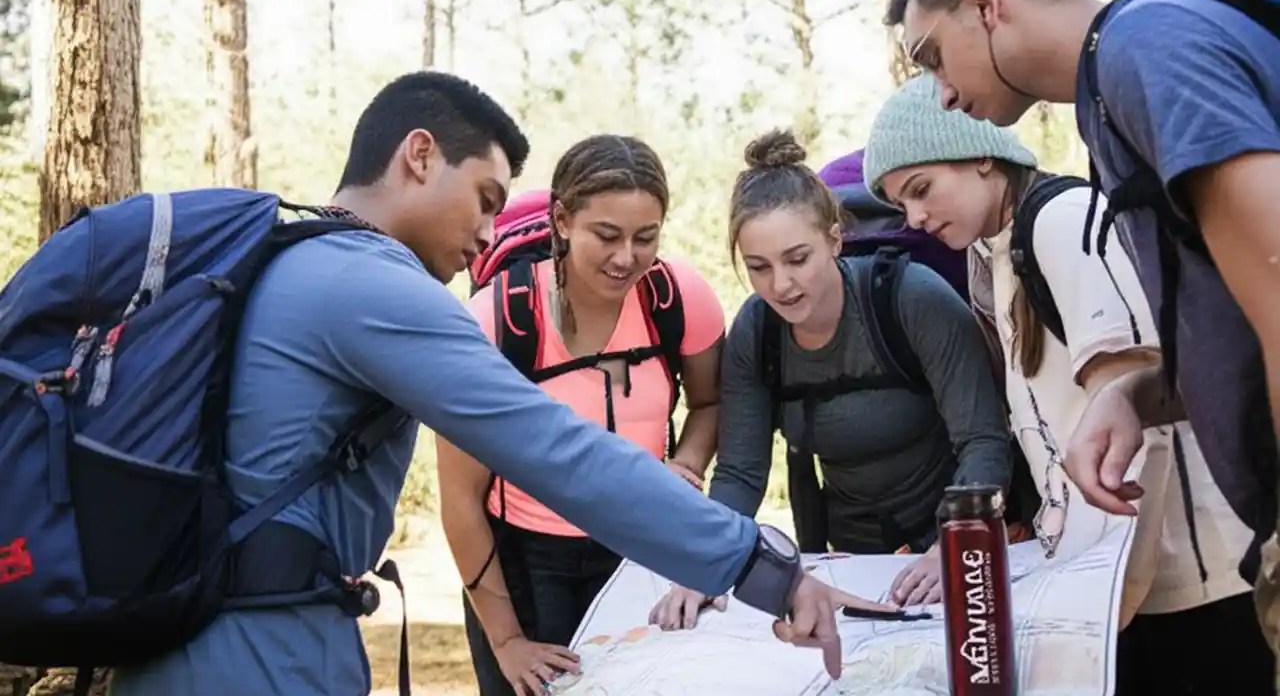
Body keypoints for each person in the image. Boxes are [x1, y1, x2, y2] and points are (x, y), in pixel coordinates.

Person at [104, 72, 890, 695]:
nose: (489, 234)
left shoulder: (294, 256)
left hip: (227, 626)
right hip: (259, 649)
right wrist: (761, 569)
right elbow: (552, 451)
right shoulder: (371, 287)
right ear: (418, 156)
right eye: (484, 199)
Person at [883, 0, 1280, 655]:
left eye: (932, 54)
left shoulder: (1147, 48)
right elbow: (1237, 329)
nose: (942, 92)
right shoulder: (1113, 82)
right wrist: (1138, 395)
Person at [649, 129, 1012, 630]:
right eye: (758, 267)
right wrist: (705, 565)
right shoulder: (756, 332)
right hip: (852, 559)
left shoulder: (911, 299)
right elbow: (740, 473)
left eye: (798, 259)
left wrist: (956, 541)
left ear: (835, 239)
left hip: (949, 536)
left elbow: (984, 439)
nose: (781, 284)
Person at [439, 135, 725, 695]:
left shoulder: (677, 296)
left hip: (644, 549)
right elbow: (460, 500)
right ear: (563, 221)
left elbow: (711, 404)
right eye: (607, 235)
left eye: (646, 238)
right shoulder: (498, 322)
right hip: (526, 567)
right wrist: (506, 643)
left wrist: (684, 469)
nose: (627, 258)